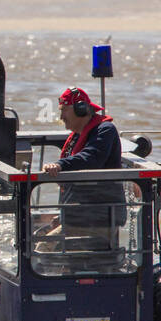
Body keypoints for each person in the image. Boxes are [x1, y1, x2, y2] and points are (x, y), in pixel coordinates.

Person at [36, 87, 125, 256]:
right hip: (82, 217)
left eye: (64, 111)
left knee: (42, 250)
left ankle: (46, 281)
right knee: (38, 236)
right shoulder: (78, 135)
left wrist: (60, 165)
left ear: (81, 109)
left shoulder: (105, 130)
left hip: (99, 218)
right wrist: (63, 217)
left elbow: (90, 158)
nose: (61, 117)